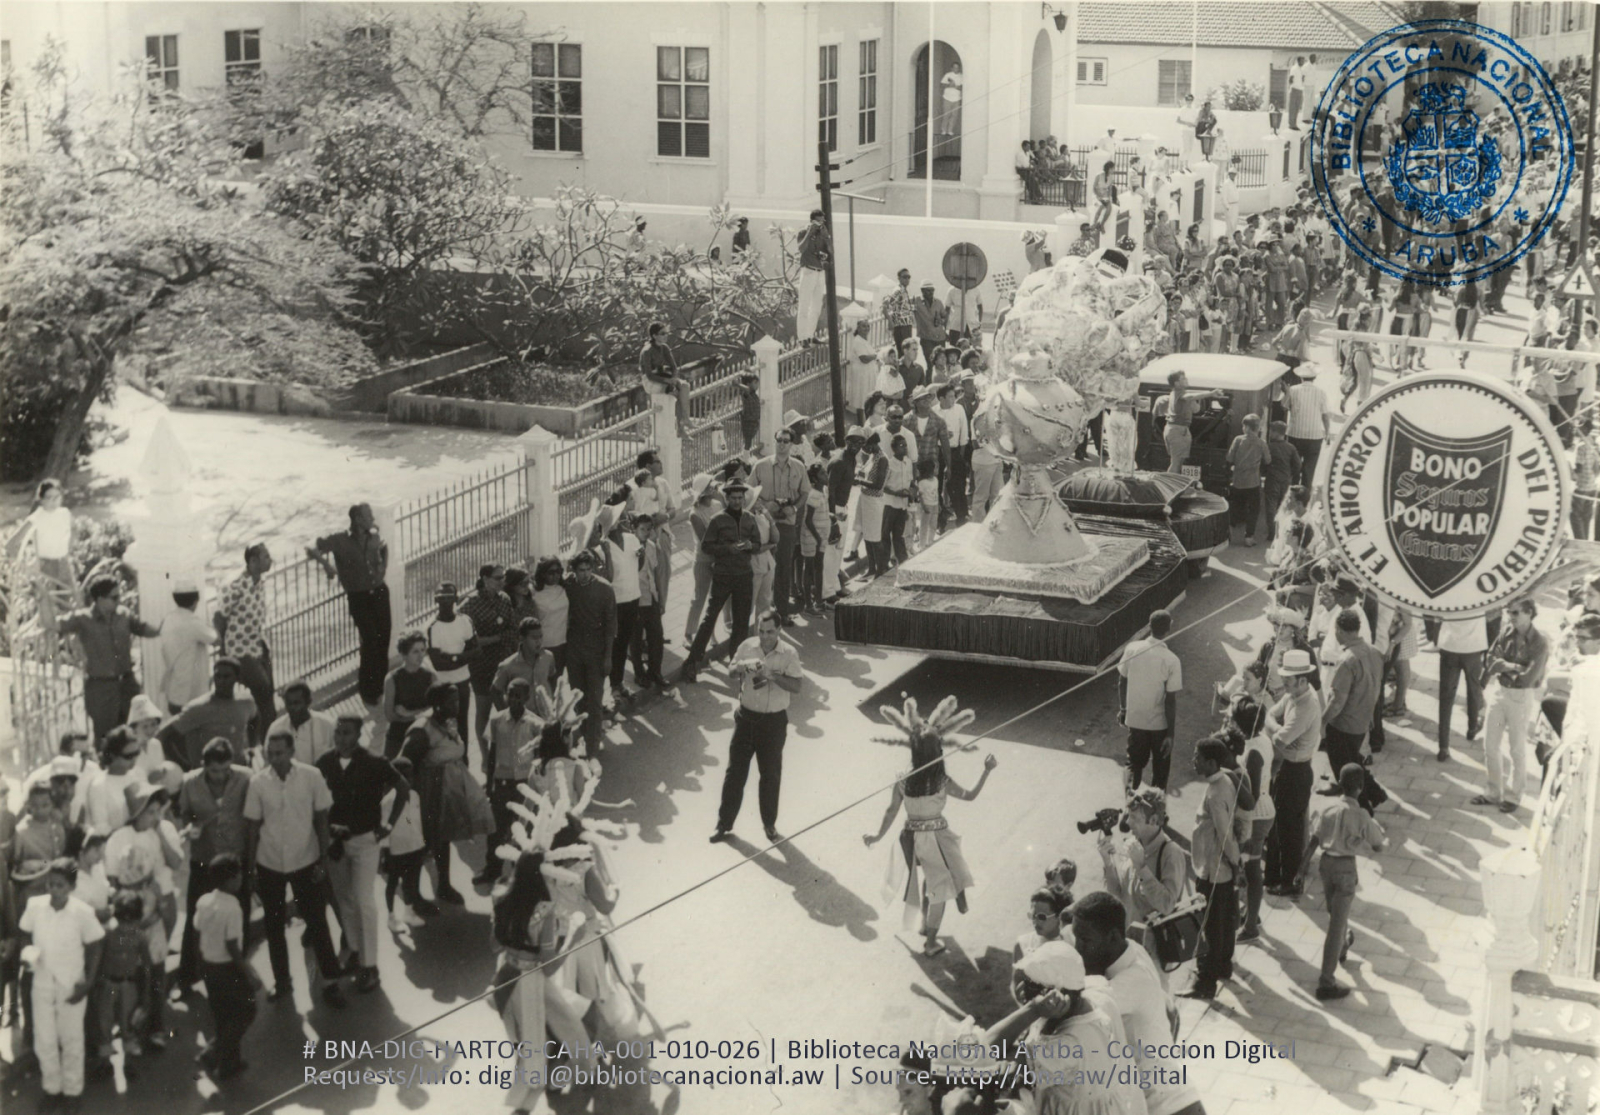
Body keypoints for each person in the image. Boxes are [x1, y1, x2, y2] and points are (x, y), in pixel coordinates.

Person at [862, 695, 995, 956]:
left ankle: (925, 924)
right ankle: (931, 942)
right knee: (941, 889)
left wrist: (877, 836)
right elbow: (970, 796)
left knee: (931, 882)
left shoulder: (903, 779)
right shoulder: (941, 780)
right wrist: (987, 770)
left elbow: (891, 811)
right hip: (937, 841)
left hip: (911, 840)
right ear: (937, 753)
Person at [1074, 890, 1207, 1115]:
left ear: (1113, 937)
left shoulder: (1130, 981)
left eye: (1085, 940)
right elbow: (1170, 1009)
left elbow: (1075, 1010)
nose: (1077, 948)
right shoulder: (1133, 950)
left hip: (1170, 1109)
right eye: (1076, 937)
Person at [983, 941, 1149, 1115]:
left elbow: (986, 1049)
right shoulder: (1094, 998)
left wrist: (1030, 1011)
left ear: (1057, 996)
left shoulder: (1066, 1046)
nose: (1023, 990)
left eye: (1030, 986)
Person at [245, 729, 346, 1008]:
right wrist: (251, 868)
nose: (274, 758)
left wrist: (323, 860)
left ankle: (331, 982)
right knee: (274, 926)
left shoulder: (311, 776)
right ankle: (282, 982)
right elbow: (252, 827)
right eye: (270, 753)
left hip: (306, 860)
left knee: (317, 923)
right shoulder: (257, 783)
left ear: (292, 751)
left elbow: (322, 819)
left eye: (279, 753)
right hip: (270, 863)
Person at [317, 715, 408, 994]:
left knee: (364, 900)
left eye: (347, 733)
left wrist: (388, 825)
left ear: (358, 735)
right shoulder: (325, 763)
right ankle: (355, 952)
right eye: (338, 732)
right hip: (336, 844)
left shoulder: (374, 762)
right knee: (344, 900)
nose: (341, 738)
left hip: (365, 841)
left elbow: (402, 787)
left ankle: (371, 966)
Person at [708, 612, 804, 844]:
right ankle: (723, 824)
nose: (764, 636)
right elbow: (731, 671)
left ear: (779, 630)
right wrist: (741, 667)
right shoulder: (747, 646)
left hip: (773, 723)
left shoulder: (789, 653)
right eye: (761, 631)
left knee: (770, 775)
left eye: (770, 632)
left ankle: (769, 824)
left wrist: (771, 675)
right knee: (734, 774)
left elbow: (797, 686)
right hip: (746, 718)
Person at [19, 858, 104, 1109]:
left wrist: (88, 982)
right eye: (51, 884)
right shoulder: (35, 906)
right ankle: (52, 1089)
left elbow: (96, 945)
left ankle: (72, 1092)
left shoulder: (82, 912)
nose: (54, 890)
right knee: (44, 1040)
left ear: (72, 887)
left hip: (71, 985)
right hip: (42, 982)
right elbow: (25, 933)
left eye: (60, 885)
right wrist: (27, 953)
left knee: (72, 1040)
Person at [1297, 764, 1387, 1001]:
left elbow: (1314, 840)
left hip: (1326, 865)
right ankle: (1326, 982)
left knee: (1335, 912)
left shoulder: (1328, 808)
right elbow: (1378, 845)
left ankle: (1344, 944)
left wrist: (1301, 869)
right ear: (1360, 788)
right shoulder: (1361, 815)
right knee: (1335, 926)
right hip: (1345, 868)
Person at [400, 685, 495, 907]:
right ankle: (412, 895)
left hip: (448, 790)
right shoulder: (421, 730)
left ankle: (444, 886)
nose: (457, 706)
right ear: (437, 705)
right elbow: (404, 764)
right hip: (428, 792)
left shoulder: (448, 721)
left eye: (457, 701)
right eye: (451, 702)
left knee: (443, 839)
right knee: (422, 844)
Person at [173, 737, 252, 991]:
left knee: (239, 919)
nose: (221, 776)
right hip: (204, 859)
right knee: (195, 918)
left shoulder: (246, 778)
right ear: (204, 765)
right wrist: (192, 824)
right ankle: (187, 978)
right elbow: (185, 812)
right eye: (215, 771)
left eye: (225, 769)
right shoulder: (189, 782)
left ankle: (239, 976)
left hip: (234, 859)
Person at [51, 576, 161, 744]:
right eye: (114, 597)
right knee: (106, 738)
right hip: (101, 689)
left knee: (135, 734)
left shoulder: (123, 614)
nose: (119, 600)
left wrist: (163, 628)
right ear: (100, 599)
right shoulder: (83, 619)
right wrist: (43, 598)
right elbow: (52, 624)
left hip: (127, 685)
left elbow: (143, 629)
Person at [1097, 787, 1189, 983]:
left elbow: (1167, 905)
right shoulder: (1132, 844)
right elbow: (1117, 897)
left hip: (1152, 956)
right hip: (1126, 949)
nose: (1128, 823)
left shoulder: (1171, 853)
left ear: (1154, 820)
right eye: (1128, 816)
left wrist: (1141, 867)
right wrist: (1108, 863)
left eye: (1135, 818)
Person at [307, 503, 391, 711]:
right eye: (368, 516)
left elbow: (383, 549)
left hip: (380, 592)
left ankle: (381, 686)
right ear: (358, 519)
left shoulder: (374, 535)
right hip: (359, 597)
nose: (372, 518)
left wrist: (383, 566)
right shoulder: (340, 540)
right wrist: (327, 565)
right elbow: (311, 548)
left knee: (383, 638)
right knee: (370, 641)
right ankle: (368, 690)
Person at [1183, 738, 1246, 1001]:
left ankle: (1204, 982)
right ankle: (1223, 966)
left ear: (1211, 763)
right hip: (1220, 869)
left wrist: (1236, 862)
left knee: (1208, 926)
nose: (1193, 761)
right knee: (1224, 922)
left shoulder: (1216, 793)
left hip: (1212, 870)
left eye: (1197, 757)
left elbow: (1225, 834)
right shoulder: (1224, 783)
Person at [681, 481, 761, 683]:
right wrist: (727, 549)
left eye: (740, 498)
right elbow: (707, 546)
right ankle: (691, 662)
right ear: (726, 498)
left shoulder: (750, 518)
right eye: (733, 498)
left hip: (744, 575)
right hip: (723, 576)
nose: (737, 502)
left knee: (741, 622)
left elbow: (758, 544)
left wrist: (750, 545)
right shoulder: (717, 520)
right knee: (710, 618)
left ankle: (737, 662)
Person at [1474, 598, 1548, 813]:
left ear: (1529, 612)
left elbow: (1528, 677)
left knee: (1516, 748)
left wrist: (1503, 667)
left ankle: (1514, 796)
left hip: (1520, 697)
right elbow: (1490, 661)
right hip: (1500, 693)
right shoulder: (1506, 632)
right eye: (1509, 612)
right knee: (1490, 745)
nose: (1510, 617)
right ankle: (1493, 792)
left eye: (1515, 613)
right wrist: (1515, 666)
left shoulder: (1540, 642)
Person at [192, 854, 259, 1080]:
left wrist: (200, 960)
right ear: (230, 879)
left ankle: (230, 1063)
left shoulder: (204, 901)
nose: (241, 878)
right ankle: (213, 1051)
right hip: (227, 968)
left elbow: (197, 931)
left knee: (223, 1016)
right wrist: (249, 973)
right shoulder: (233, 908)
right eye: (238, 875)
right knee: (246, 1010)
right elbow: (232, 946)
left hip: (208, 966)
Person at [1263, 649, 1322, 897]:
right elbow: (1269, 714)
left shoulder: (1305, 707)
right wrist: (1276, 729)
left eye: (1288, 681)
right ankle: (1275, 876)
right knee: (1279, 824)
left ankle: (1288, 881)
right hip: (1288, 767)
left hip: (1296, 772)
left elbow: (1279, 739)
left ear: (1302, 680)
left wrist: (1275, 730)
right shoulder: (1294, 695)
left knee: (1289, 830)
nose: (1284, 685)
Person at [216, 543, 275, 749]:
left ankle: (266, 741)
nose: (270, 560)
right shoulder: (237, 586)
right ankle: (262, 742)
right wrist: (224, 650)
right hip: (240, 651)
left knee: (267, 694)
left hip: (257, 645)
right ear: (253, 561)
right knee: (263, 692)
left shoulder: (259, 582)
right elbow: (219, 617)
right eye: (266, 557)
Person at [1117, 610, 1182, 792]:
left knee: (1133, 764)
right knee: (1160, 771)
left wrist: (1123, 709)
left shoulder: (1132, 649)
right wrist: (1171, 734)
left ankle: (1130, 799)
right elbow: (1170, 700)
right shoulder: (1172, 660)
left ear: (1149, 626)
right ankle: (1156, 805)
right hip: (1159, 725)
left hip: (1135, 720)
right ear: (1169, 628)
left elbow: (1122, 681)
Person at [154, 657, 256, 770]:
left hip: (238, 770)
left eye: (226, 676)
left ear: (237, 678)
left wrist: (253, 746)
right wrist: (184, 765)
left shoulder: (246, 702)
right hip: (209, 773)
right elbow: (163, 735)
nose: (221, 681)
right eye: (218, 676)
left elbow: (255, 718)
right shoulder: (199, 708)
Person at [562, 550, 616, 750]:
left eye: (588, 569)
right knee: (578, 696)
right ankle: (586, 735)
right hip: (574, 650)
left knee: (594, 699)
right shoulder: (569, 585)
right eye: (580, 570)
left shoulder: (605, 588)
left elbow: (611, 626)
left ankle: (593, 745)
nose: (584, 574)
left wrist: (608, 657)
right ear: (574, 570)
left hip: (596, 649)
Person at [462, 564, 518, 754]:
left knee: (507, 710)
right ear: (485, 579)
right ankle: (485, 757)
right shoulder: (471, 603)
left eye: (503, 577)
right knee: (483, 711)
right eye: (497, 578)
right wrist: (497, 638)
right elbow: (469, 638)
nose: (502, 581)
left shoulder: (504, 599)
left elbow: (513, 628)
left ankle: (509, 753)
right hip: (482, 665)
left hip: (503, 663)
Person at [381, 755, 432, 927]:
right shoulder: (388, 801)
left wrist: (421, 842)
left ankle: (408, 913)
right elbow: (384, 828)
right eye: (405, 777)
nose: (409, 780)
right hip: (397, 850)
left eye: (410, 776)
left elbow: (411, 820)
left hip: (414, 846)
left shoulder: (414, 796)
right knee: (393, 882)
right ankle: (391, 916)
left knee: (411, 881)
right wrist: (386, 853)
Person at [424, 581, 476, 745]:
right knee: (444, 725)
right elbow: (438, 664)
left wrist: (452, 658)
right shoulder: (432, 627)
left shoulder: (465, 621)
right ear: (435, 600)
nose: (445, 601)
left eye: (449, 597)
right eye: (441, 597)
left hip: (463, 682)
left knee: (462, 723)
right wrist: (463, 657)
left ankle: (464, 756)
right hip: (443, 685)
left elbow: (477, 651)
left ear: (456, 598)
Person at [156, 578, 216, 715]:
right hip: (191, 693)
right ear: (196, 600)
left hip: (174, 690)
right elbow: (215, 639)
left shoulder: (168, 619)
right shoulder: (193, 622)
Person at [1437, 615, 1488, 762]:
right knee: (1473, 690)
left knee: (1446, 698)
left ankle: (1443, 746)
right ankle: (1472, 727)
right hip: (1473, 647)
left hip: (1449, 645)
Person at [631, 514, 672, 691]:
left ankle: (655, 672)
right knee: (636, 640)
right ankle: (639, 674)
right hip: (635, 600)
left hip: (651, 598)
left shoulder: (652, 546)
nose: (646, 532)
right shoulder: (629, 548)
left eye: (649, 529)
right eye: (642, 529)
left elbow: (655, 574)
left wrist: (661, 600)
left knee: (656, 637)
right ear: (634, 530)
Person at [382, 632, 436, 759]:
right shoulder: (392, 679)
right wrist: (421, 714)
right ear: (404, 654)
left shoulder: (430, 676)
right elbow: (390, 715)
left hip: (423, 733)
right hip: (398, 736)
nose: (421, 655)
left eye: (422, 650)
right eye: (415, 651)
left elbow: (437, 709)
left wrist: (408, 714)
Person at [1160, 370, 1224, 475]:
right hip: (1177, 430)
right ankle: (1169, 484)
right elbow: (1191, 399)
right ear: (1176, 383)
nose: (1186, 380)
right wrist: (1211, 393)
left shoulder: (1178, 394)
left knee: (1178, 462)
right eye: (1183, 378)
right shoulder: (1179, 393)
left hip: (1178, 429)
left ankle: (1173, 483)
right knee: (1176, 463)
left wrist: (1194, 399)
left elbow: (1196, 409)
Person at [267, 679, 336, 767]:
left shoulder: (327, 725)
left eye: (296, 703)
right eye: (289, 703)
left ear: (308, 702)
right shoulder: (276, 728)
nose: (292, 708)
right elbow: (268, 761)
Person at [638, 321, 691, 436]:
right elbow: (649, 375)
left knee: (684, 386)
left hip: (663, 376)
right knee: (675, 393)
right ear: (654, 335)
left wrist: (674, 378)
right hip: (651, 381)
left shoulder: (664, 348)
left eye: (667, 333)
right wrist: (667, 381)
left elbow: (674, 367)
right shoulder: (647, 351)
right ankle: (680, 428)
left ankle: (685, 419)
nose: (666, 336)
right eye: (662, 333)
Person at [1226, 414, 1271, 546]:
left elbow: (1229, 458)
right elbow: (1268, 460)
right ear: (1257, 428)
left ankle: (1228, 534)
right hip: (1253, 482)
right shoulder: (1261, 443)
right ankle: (1249, 537)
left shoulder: (1238, 440)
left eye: (1243, 426)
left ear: (1246, 427)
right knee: (1254, 510)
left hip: (1238, 481)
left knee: (1235, 507)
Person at [1283, 371, 1333, 489]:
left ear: (1301, 377)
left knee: (1294, 467)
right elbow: (1325, 415)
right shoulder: (1321, 392)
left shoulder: (1292, 390)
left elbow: (1283, 406)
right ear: (1314, 378)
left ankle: (1292, 492)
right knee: (1309, 470)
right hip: (1314, 436)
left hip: (1295, 434)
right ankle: (1305, 493)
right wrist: (1327, 432)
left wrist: (1286, 392)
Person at [795, 210, 832, 342]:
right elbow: (801, 249)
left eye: (822, 221)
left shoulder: (823, 233)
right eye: (818, 221)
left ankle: (810, 335)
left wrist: (826, 237)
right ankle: (802, 338)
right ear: (811, 221)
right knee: (804, 306)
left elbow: (831, 251)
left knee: (816, 306)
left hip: (820, 272)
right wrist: (809, 233)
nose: (820, 224)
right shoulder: (803, 232)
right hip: (808, 271)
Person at [530, 557, 570, 677]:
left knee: (558, 679)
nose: (556, 575)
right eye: (551, 572)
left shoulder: (563, 588)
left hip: (563, 643)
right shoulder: (535, 594)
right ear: (542, 574)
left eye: (558, 571)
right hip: (545, 644)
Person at [913, 282, 948, 369]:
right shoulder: (916, 301)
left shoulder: (938, 302)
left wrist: (941, 321)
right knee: (930, 363)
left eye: (932, 290)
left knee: (941, 363)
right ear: (922, 291)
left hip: (940, 337)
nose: (931, 292)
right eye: (928, 290)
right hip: (926, 338)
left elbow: (945, 316)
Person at [1091, 160, 1118, 233]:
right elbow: (1094, 188)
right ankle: (1094, 224)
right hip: (1096, 195)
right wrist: (1098, 196)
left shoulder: (1111, 178)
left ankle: (1102, 224)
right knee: (1101, 206)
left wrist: (1108, 198)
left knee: (1109, 208)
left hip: (1104, 197)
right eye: (1113, 168)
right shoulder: (1099, 175)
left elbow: (1110, 190)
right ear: (1109, 168)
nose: (1114, 170)